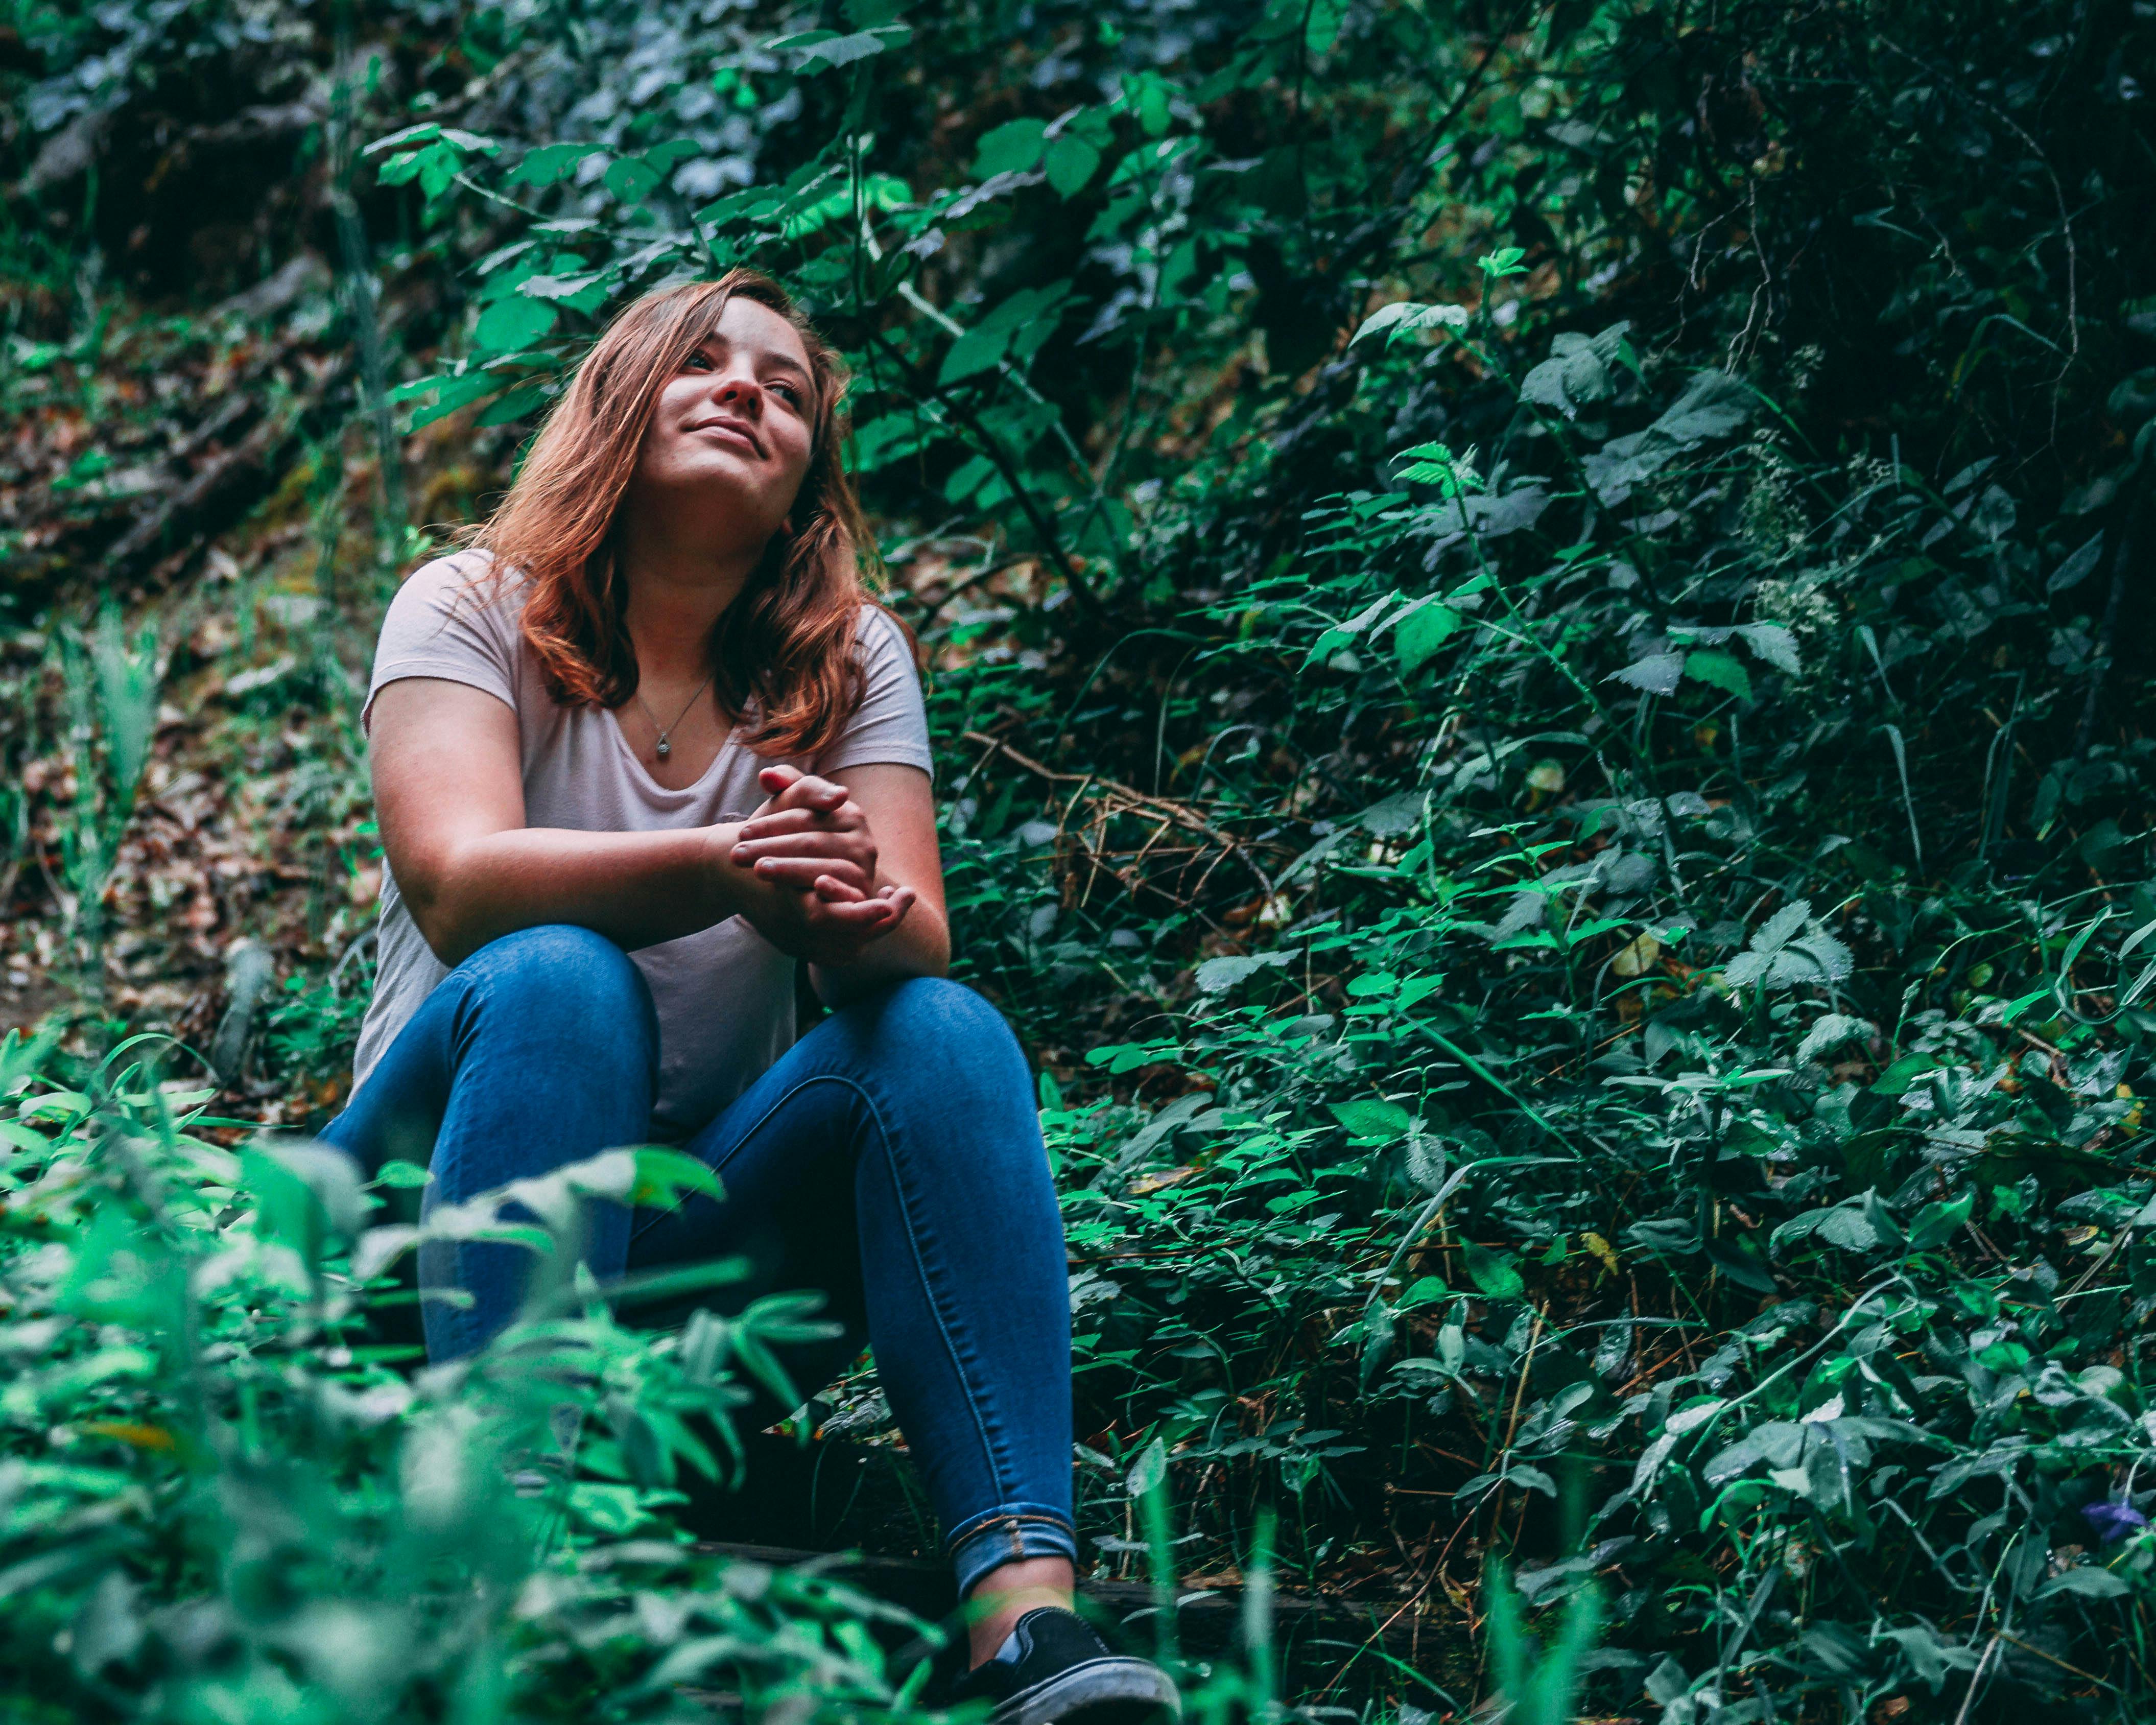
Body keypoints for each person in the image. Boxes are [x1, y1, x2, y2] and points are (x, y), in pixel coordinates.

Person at [320, 271, 1177, 1725]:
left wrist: (835, 900)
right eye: (705, 363)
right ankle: (509, 1575)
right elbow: (459, 881)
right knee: (561, 977)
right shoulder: (468, 605)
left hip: (674, 1309)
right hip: (412, 1273)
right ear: (618, 400)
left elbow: (913, 941)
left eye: (786, 392)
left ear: (805, 483)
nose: (747, 393)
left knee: (942, 1032)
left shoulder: (849, 659)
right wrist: (728, 866)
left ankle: (1026, 1625)